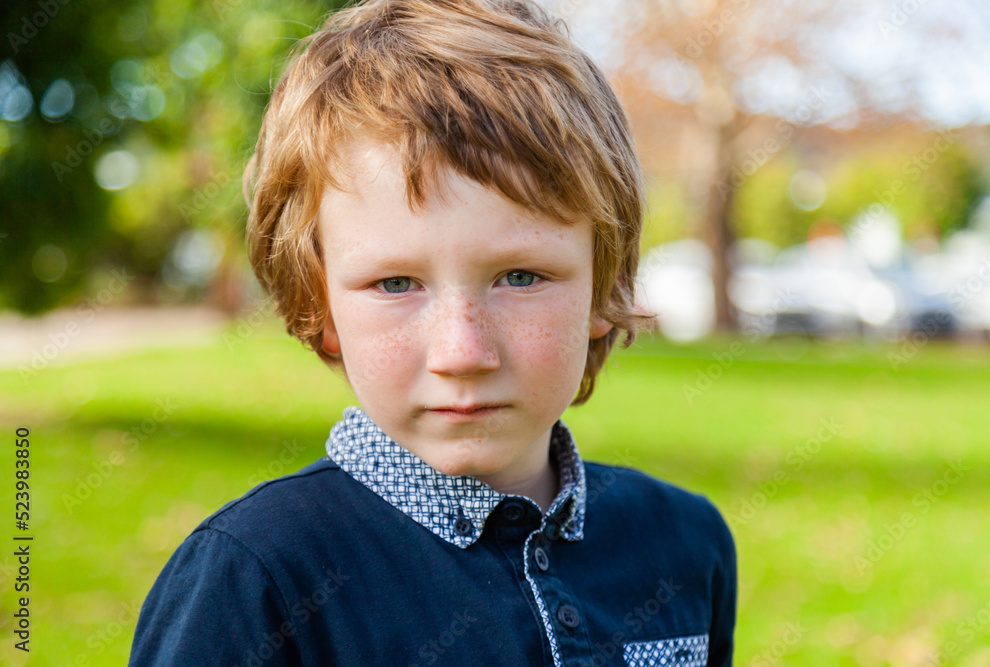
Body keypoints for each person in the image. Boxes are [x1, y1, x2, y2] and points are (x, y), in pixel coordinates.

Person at [128, 0, 737, 665]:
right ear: (320, 306)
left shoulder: (685, 544)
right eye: (396, 283)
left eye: (520, 277)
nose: (463, 353)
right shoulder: (253, 580)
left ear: (604, 283)